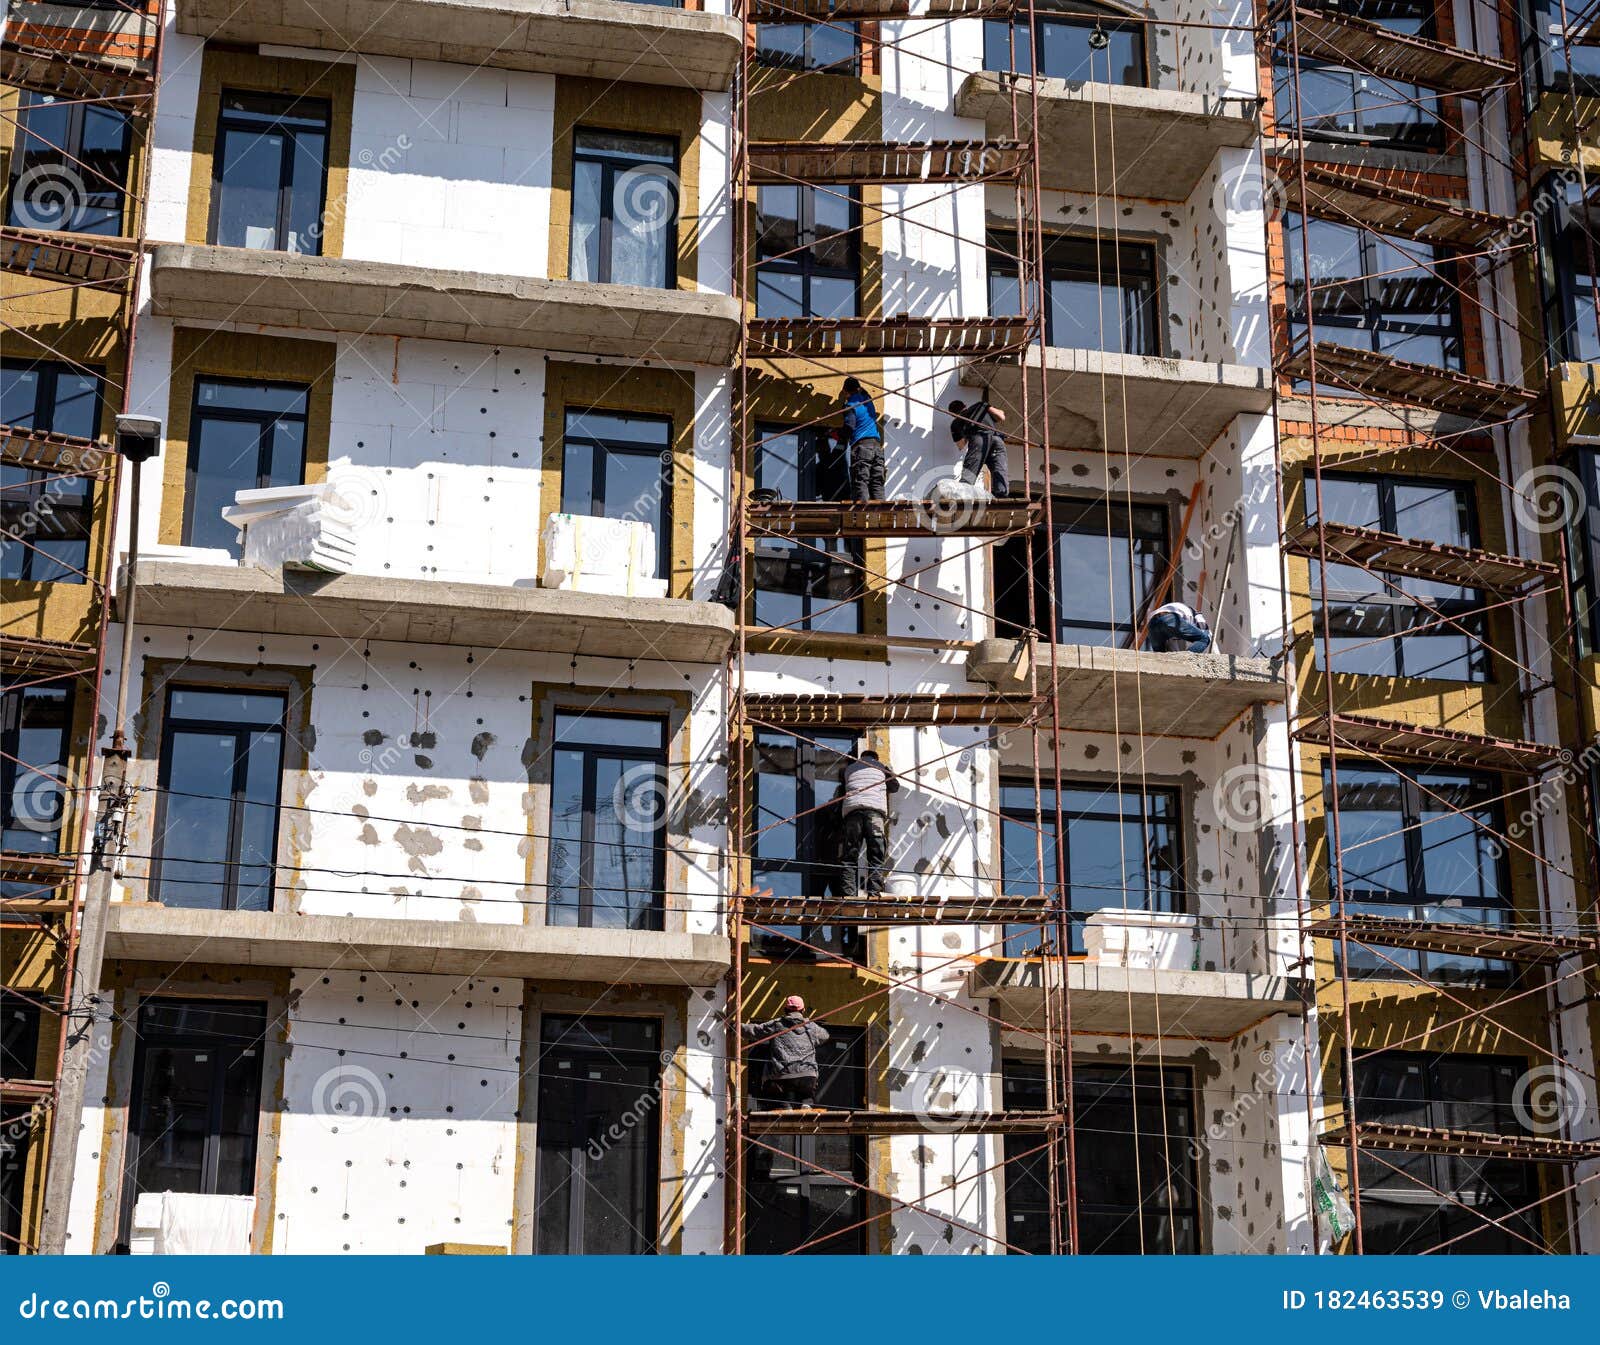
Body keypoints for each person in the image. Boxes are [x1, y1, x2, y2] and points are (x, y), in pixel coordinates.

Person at [742, 995, 830, 1108]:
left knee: (784, 1099)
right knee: (806, 1098)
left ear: (786, 1009)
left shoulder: (778, 1024)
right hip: (807, 1076)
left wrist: (734, 1025)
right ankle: (806, 1105)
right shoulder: (810, 1027)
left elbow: (754, 1031)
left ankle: (786, 1107)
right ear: (803, 1010)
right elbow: (825, 1036)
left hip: (784, 1075)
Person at [838, 747, 898, 897]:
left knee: (849, 856)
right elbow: (894, 787)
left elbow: (842, 789)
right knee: (876, 855)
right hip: (874, 814)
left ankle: (849, 894)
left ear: (862, 757)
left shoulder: (849, 769)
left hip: (853, 814)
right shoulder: (881, 767)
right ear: (875, 758)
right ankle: (874, 892)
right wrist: (890, 771)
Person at [947, 397, 1009, 497]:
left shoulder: (956, 422)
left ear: (952, 414)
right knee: (999, 468)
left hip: (978, 441)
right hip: (997, 439)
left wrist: (965, 432)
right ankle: (1001, 495)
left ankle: (963, 494)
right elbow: (1001, 417)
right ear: (965, 406)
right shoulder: (980, 405)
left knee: (971, 469)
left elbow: (961, 445)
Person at [840, 377, 884, 502]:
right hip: (877, 447)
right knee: (877, 482)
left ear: (845, 391)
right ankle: (881, 515)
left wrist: (839, 435)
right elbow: (863, 391)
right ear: (858, 389)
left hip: (862, 447)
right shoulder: (868, 400)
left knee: (861, 481)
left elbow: (849, 427)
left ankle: (863, 517)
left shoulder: (850, 406)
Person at [1145, 599, 1212, 653]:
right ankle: (1187, 661)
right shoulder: (1196, 614)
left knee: (1161, 657)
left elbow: (1174, 650)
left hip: (1152, 624)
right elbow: (1205, 632)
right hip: (1170, 618)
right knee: (1204, 639)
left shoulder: (1174, 631)